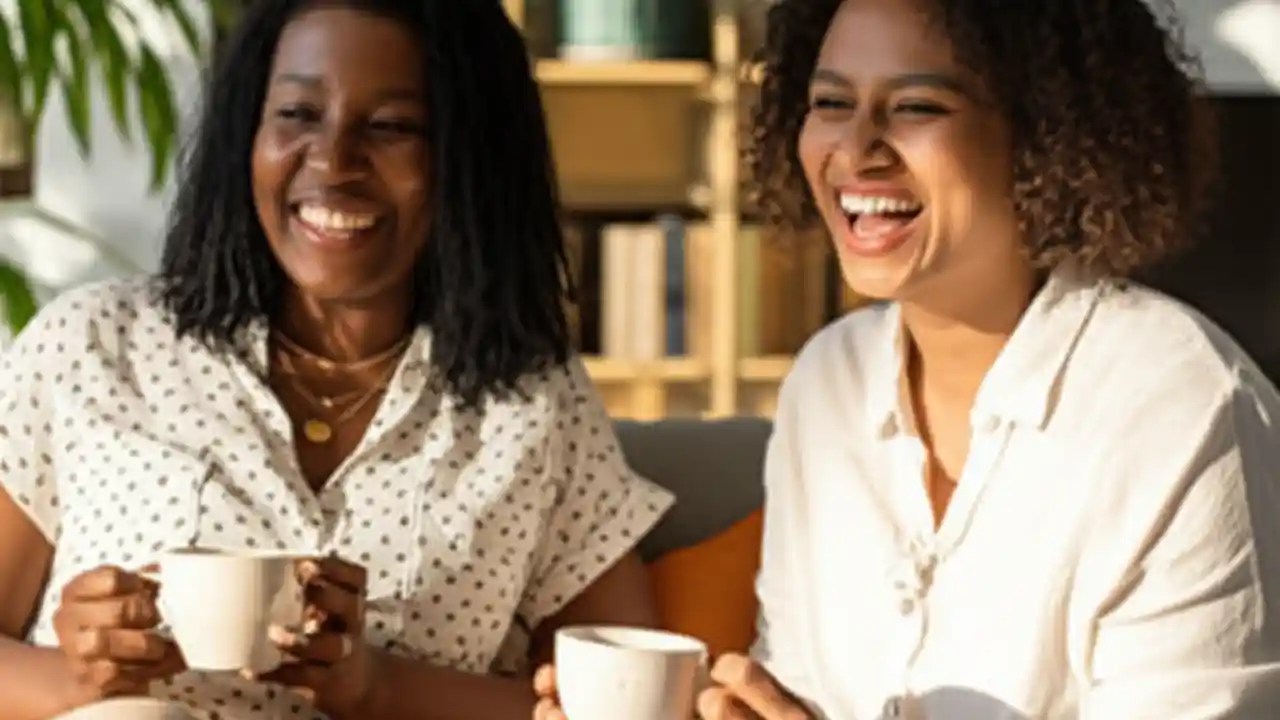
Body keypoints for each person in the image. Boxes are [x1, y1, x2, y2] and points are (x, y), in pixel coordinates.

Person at [536, 0, 1280, 718]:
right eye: (830, 103)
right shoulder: (828, 382)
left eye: (918, 107)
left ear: (1049, 136)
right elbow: (797, 682)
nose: (855, 150)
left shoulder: (1179, 408)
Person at [0, 1, 675, 718]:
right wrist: (81, 680)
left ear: (469, 156)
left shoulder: (534, 402)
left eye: (389, 128)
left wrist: (378, 686)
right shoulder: (98, 344)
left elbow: (628, 706)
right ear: (246, 135)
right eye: (297, 114)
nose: (332, 163)